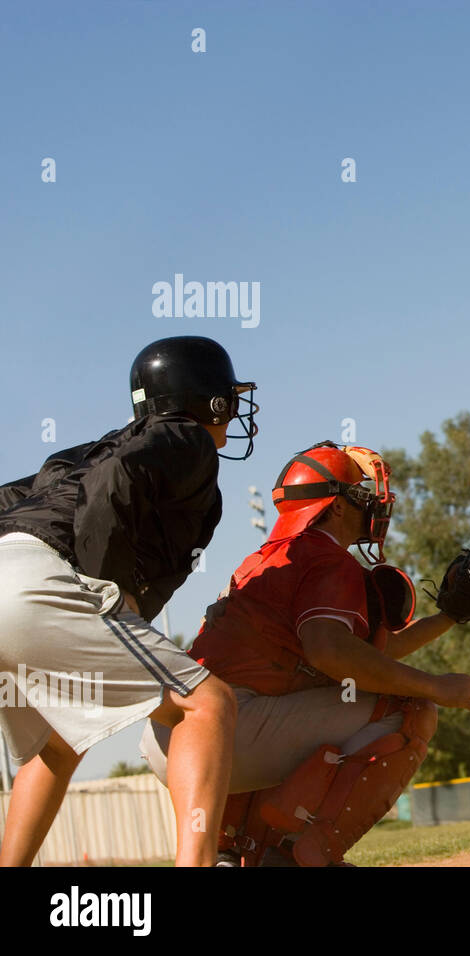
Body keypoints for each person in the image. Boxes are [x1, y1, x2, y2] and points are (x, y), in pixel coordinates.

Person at [140, 440, 470, 866]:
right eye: (361, 495)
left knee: (313, 705)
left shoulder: (265, 559)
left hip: (173, 736)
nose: (373, 505)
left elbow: (366, 655)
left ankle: (237, 849)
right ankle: (305, 856)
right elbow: (333, 652)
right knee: (412, 709)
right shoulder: (327, 558)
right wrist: (436, 686)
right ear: (338, 507)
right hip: (225, 731)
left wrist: (448, 617)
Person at [0, 336, 257, 866]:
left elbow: (10, 497)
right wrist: (111, 589)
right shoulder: (188, 439)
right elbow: (112, 480)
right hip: (35, 581)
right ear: (213, 400)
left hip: (12, 568)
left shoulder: (87, 448)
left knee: (58, 742)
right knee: (206, 706)